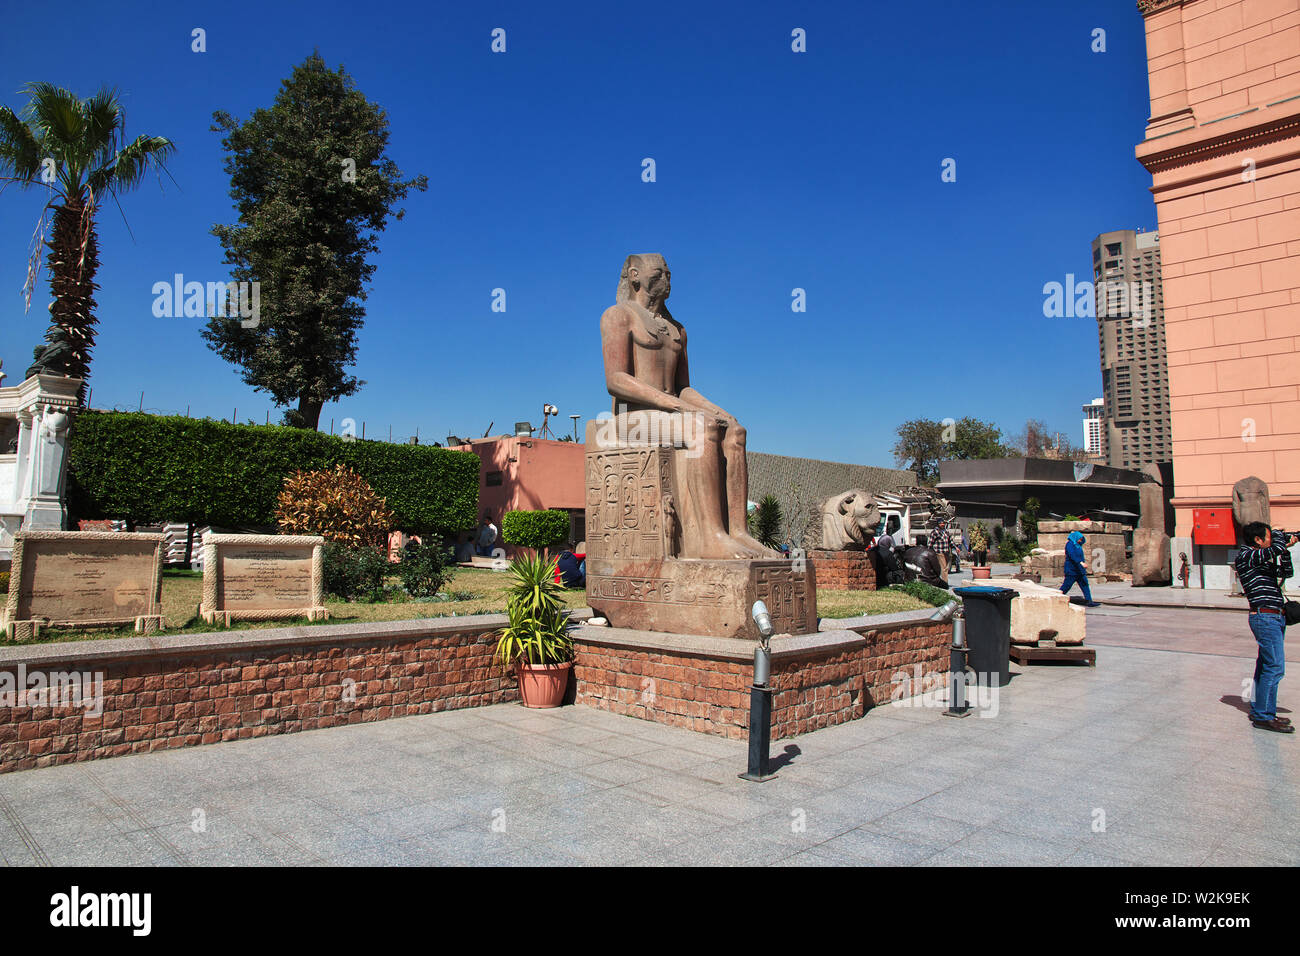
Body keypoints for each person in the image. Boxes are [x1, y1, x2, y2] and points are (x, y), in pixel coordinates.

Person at [1235, 523, 1298, 734]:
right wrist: (1280, 536)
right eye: (1270, 536)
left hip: (1274, 618)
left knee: (1266, 667)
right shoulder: (1245, 556)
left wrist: (1286, 550)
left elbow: (1286, 572)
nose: (1272, 540)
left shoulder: (1260, 561)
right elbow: (1275, 549)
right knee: (1275, 667)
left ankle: (1262, 711)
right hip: (1265, 617)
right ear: (1258, 540)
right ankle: (1264, 716)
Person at [1060, 530, 1100, 607]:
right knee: (1066, 586)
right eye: (1080, 539)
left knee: (1085, 585)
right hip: (1072, 570)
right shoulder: (1070, 544)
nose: (1080, 540)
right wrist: (1081, 563)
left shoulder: (1078, 545)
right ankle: (1056, 597)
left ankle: (1089, 601)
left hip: (1080, 570)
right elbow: (1072, 555)